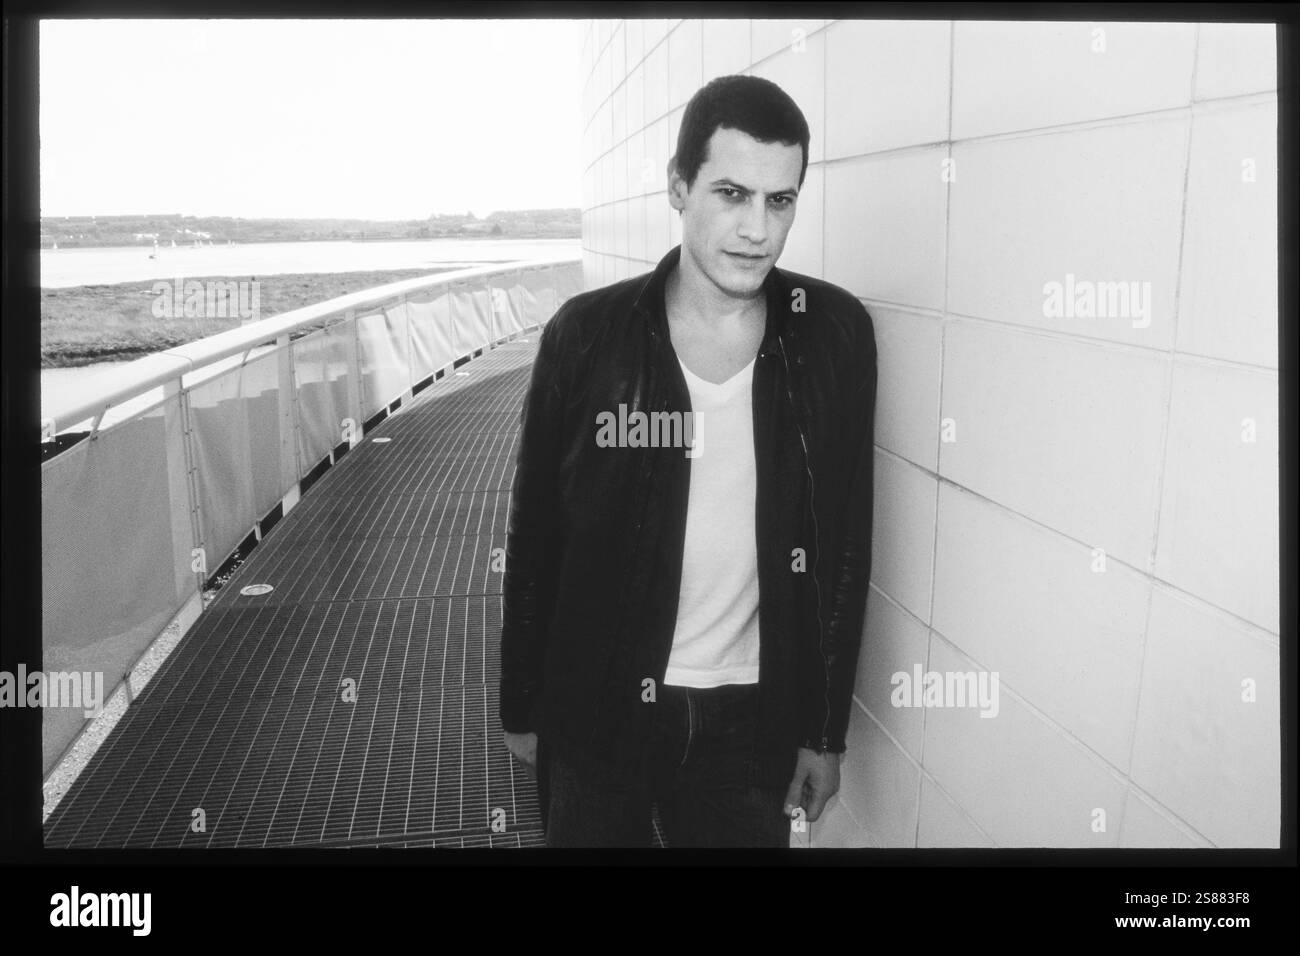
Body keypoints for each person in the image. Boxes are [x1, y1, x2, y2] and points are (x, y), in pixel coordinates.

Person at [499, 74, 877, 848]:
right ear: (678, 188)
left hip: (749, 722)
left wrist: (824, 730)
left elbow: (844, 548)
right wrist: (522, 702)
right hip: (598, 709)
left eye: (781, 201)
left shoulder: (832, 335)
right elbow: (535, 530)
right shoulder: (588, 337)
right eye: (732, 194)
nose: (757, 230)